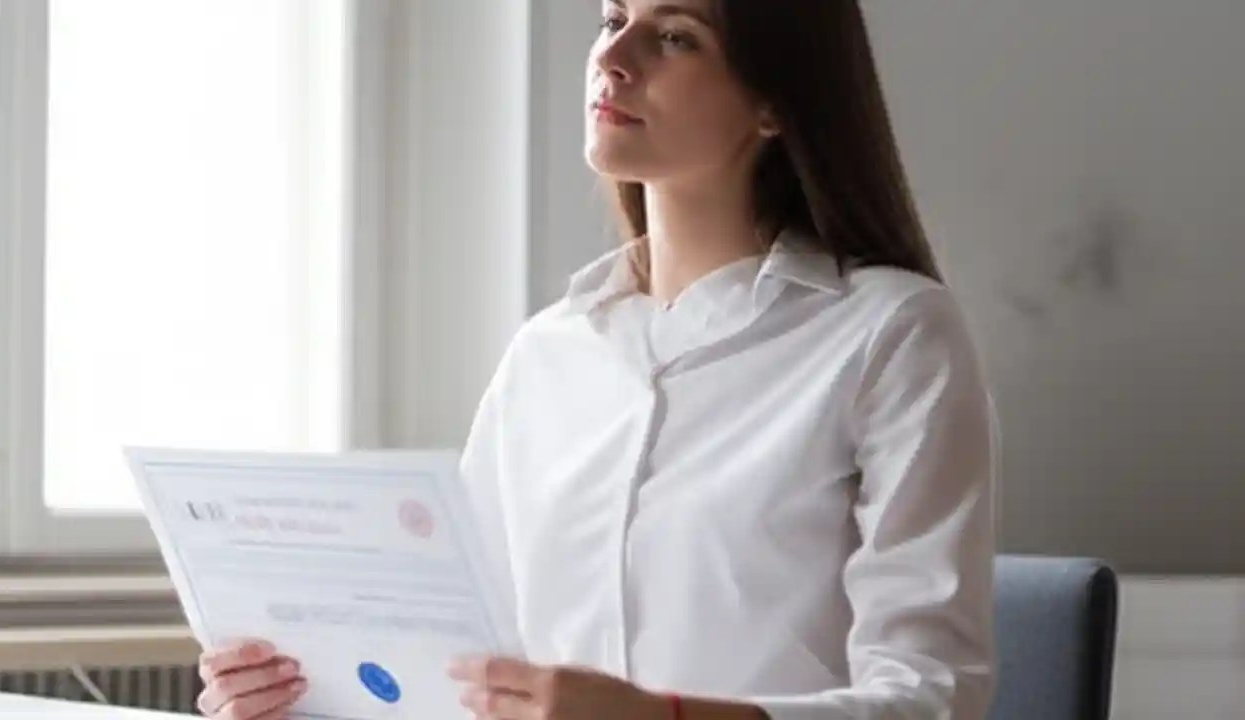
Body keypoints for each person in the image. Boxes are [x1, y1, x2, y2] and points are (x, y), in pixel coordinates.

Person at [195, 0, 998, 718]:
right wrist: (301, 700)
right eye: (612, 19)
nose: (613, 57)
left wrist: (662, 718)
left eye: (675, 36)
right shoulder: (548, 353)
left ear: (773, 102)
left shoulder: (892, 333)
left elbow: (931, 698)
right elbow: (457, 674)